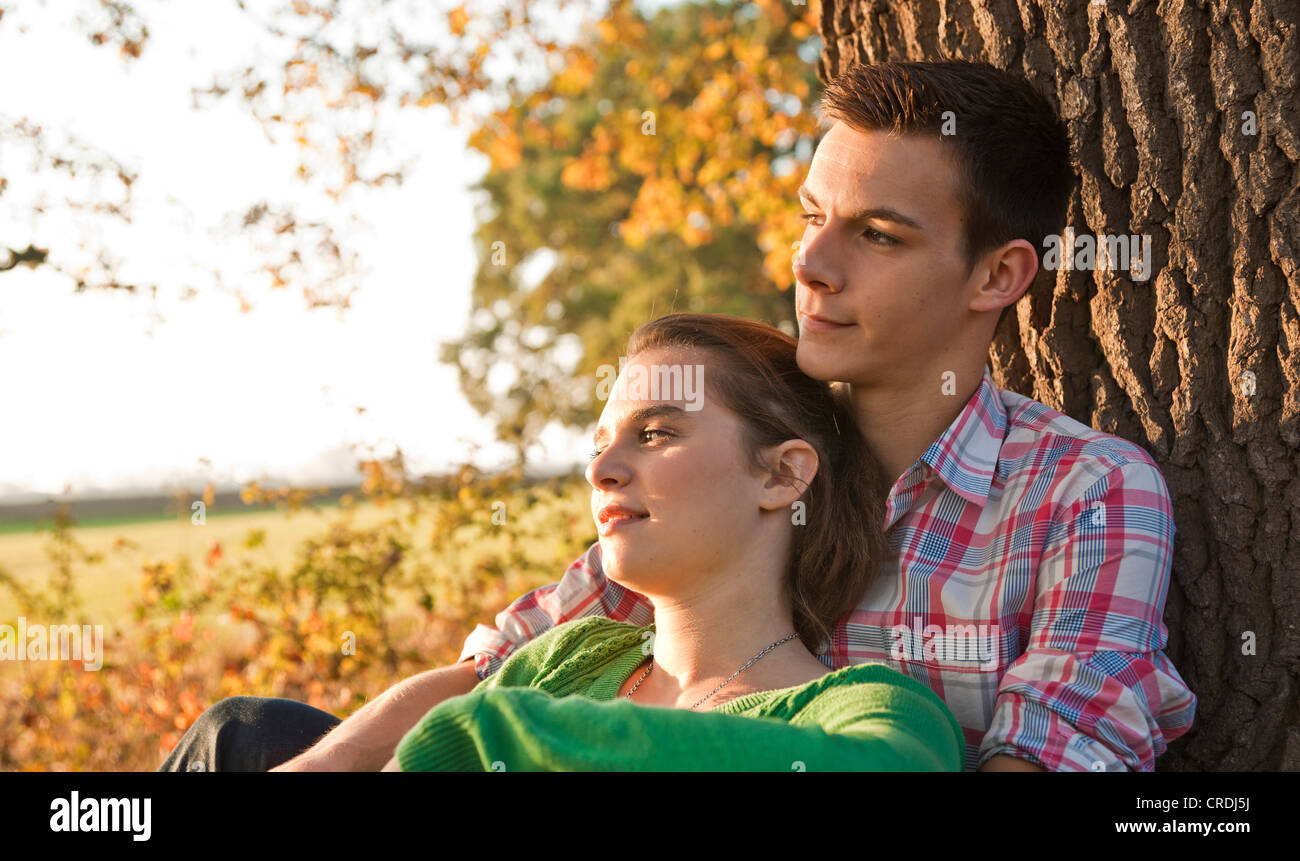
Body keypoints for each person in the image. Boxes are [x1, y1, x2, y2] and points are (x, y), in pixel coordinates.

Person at [162, 58, 1195, 774]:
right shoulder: (725, 433)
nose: (811, 266)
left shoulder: (1085, 494)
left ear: (997, 275)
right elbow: (501, 671)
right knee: (243, 735)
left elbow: (1050, 756)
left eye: (876, 236)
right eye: (811, 218)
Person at [380, 313, 963, 770]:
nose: (600, 470)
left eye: (655, 434)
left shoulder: (862, 710)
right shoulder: (565, 659)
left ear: (782, 476)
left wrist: (500, 729)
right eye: (597, 445)